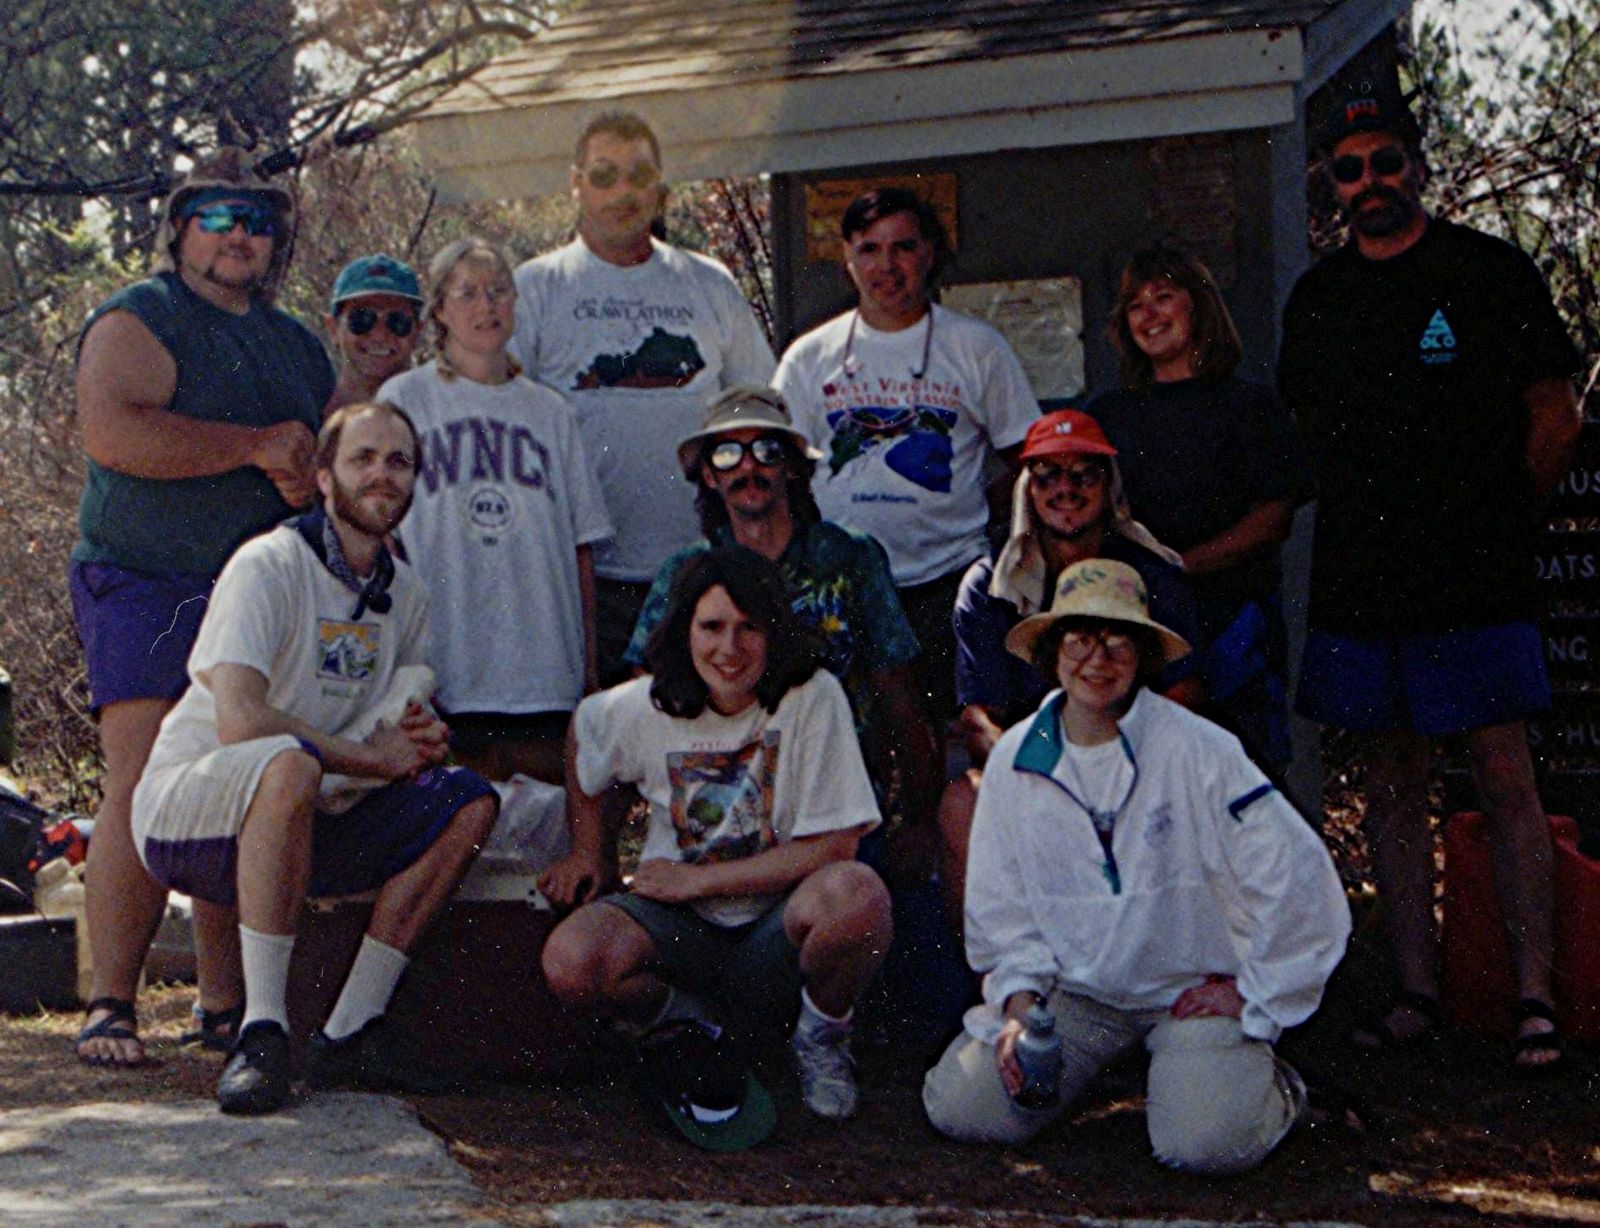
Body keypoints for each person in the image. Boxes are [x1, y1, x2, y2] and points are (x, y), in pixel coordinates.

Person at [1278, 90, 1583, 1071]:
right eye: (1349, 168)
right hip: (1364, 579)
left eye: (1385, 161)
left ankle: (1532, 994)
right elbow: (1304, 440)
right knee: (1391, 782)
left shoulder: (1487, 273)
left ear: (1415, 165)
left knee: (1502, 773)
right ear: (1331, 183)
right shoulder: (1319, 300)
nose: (1369, 182)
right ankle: (1417, 988)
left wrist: (1500, 522)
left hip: (1476, 579)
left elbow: (1555, 413)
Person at [128, 401, 499, 1115]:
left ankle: (351, 1030)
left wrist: (416, 744)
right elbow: (239, 719)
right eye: (362, 458)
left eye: (399, 461)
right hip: (192, 812)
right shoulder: (269, 563)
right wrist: (371, 758)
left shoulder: (406, 593)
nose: (381, 475)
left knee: (468, 801)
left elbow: (395, 727)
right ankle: (262, 1032)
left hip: (315, 809)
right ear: (324, 478)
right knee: (286, 762)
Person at [922, 559, 1349, 1172]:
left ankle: (1280, 1091)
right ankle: (1088, 1078)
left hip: (1186, 995)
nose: (1098, 658)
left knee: (1199, 1147)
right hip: (1075, 996)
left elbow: (1295, 872)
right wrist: (1018, 1011)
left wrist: (1251, 986)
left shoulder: (1200, 749)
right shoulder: (1017, 758)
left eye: (1118, 638)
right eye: (1080, 639)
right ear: (1051, 650)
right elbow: (1002, 910)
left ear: (1145, 653)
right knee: (963, 1107)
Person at [70, 149, 335, 1066]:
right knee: (144, 780)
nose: (237, 235)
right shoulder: (139, 317)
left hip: (252, 593)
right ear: (179, 228)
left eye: (255, 221)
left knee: (243, 776)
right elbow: (115, 432)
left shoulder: (298, 344)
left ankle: (226, 1005)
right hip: (143, 578)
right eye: (216, 216)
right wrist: (256, 446)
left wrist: (308, 478)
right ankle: (111, 1001)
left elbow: (319, 465)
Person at [539, 548, 891, 1137]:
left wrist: (697, 880)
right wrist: (587, 851)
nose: (729, 649)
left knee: (858, 896)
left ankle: (822, 1038)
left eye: (749, 627)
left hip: (775, 926)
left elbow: (836, 846)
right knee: (573, 958)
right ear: (685, 630)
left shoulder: (812, 695)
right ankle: (693, 1029)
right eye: (712, 627)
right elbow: (584, 729)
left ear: (774, 631)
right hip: (679, 928)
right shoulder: (648, 704)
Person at [624, 384, 940, 877]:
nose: (749, 467)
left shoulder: (851, 558)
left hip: (839, 806)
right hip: (724, 812)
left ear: (792, 465)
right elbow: (642, 700)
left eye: (767, 451)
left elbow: (897, 691)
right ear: (707, 474)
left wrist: (921, 820)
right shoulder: (685, 573)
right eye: (728, 454)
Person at [511, 111, 776, 687]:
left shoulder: (708, 283)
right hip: (581, 577)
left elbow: (760, 412)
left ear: (659, 186)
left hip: (699, 570)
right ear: (575, 183)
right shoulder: (534, 289)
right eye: (604, 176)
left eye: (638, 175)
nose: (622, 192)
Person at [775, 187, 1039, 724]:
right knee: (852, 735)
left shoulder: (976, 346)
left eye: (903, 247)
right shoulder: (810, 356)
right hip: (844, 587)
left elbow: (1031, 458)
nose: (886, 266)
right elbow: (780, 468)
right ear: (848, 258)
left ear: (929, 254)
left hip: (949, 582)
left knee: (952, 733)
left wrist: (980, 508)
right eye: (869, 249)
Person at [936, 410, 1204, 935]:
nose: (1066, 489)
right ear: (1026, 490)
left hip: (1137, 760)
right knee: (961, 803)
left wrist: (1111, 769)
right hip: (1034, 760)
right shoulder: (990, 583)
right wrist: (1049, 776)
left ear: (1108, 486)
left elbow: (1185, 690)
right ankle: (997, 988)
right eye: (1047, 476)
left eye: (1083, 474)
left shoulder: (1155, 574)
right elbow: (978, 717)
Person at [380, 238, 612, 784]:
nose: (486, 307)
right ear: (438, 310)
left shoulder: (550, 411)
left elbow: (581, 544)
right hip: (449, 659)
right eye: (467, 294)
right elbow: (383, 537)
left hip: (541, 665)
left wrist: (588, 668)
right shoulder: (405, 400)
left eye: (499, 291)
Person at [1089, 244, 1310, 766]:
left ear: (1198, 307)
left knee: (1242, 774)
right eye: (1136, 306)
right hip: (1138, 628)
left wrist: (1183, 566)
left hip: (1234, 623)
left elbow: (1273, 518)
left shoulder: (1250, 406)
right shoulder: (1110, 414)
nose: (1151, 315)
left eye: (1164, 297)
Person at [324, 254, 424, 414]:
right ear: (333, 329)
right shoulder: (308, 419)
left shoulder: (439, 421)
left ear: (418, 332)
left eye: (397, 321)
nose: (379, 335)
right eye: (362, 319)